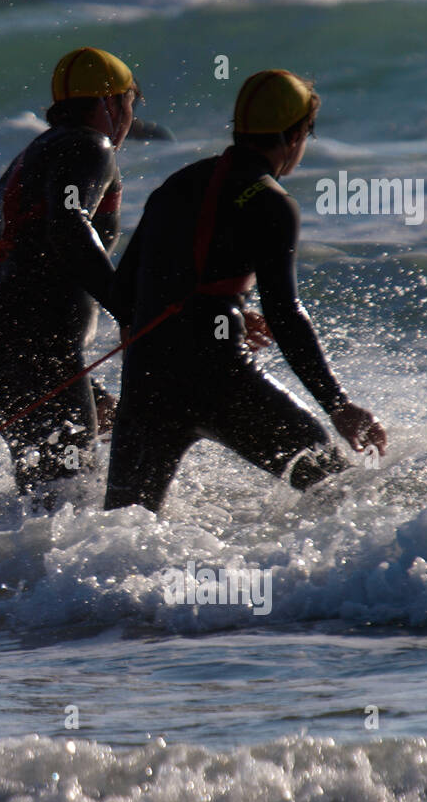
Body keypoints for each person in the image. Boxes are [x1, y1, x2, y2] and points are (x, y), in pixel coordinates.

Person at [105, 69, 386, 512]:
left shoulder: (178, 183)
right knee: (341, 496)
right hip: (222, 382)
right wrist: (338, 403)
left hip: (148, 385)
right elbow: (284, 313)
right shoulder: (271, 202)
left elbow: (123, 290)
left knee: (118, 529)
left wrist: (204, 312)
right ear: (296, 134)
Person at [0, 47, 138, 507]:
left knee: (100, 437)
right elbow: (69, 223)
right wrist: (128, 308)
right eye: (130, 102)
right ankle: (37, 577)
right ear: (110, 104)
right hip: (38, 358)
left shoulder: (36, 153)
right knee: (63, 507)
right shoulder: (89, 146)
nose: (131, 118)